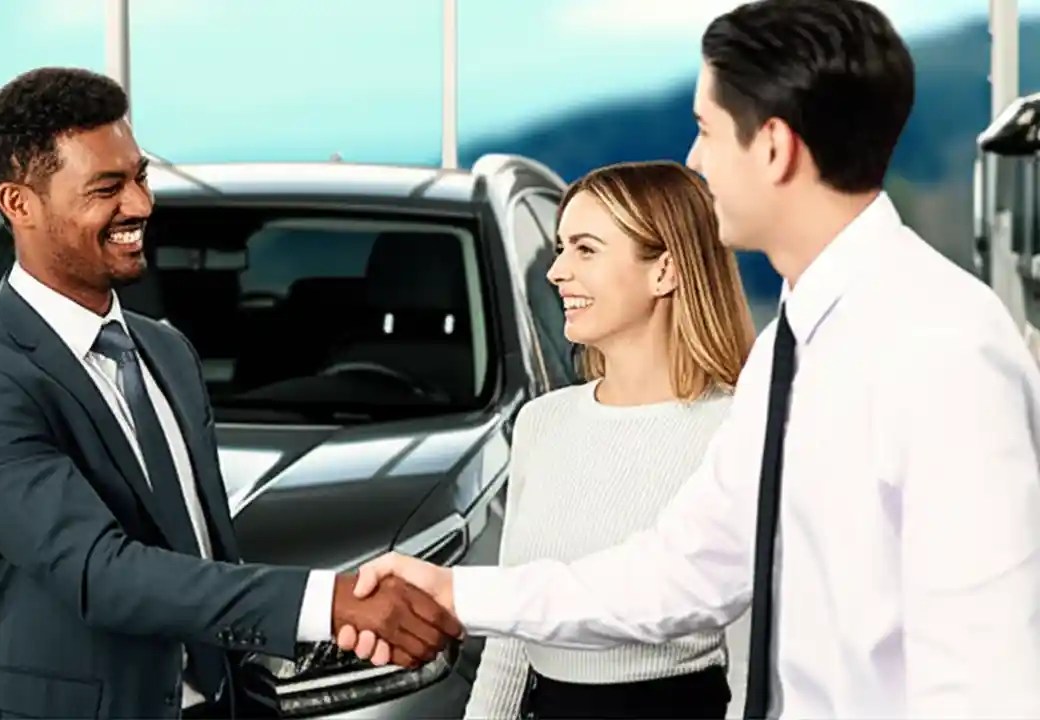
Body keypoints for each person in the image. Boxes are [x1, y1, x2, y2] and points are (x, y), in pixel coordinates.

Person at [338, 1, 1040, 717]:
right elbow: (680, 575)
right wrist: (458, 592)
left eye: (706, 131)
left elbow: (985, 680)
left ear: (773, 147)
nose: (697, 162)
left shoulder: (945, 346)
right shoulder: (788, 351)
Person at [0, 67, 460, 720]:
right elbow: (101, 573)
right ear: (19, 203)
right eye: (106, 188)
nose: (141, 205)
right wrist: (331, 601)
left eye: (139, 176)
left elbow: (205, 549)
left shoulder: (166, 352)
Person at [451, 161, 755, 719]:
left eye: (585, 250)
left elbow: (749, 651)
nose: (556, 271)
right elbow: (513, 635)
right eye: (561, 247)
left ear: (664, 271)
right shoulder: (542, 423)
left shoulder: (736, 430)